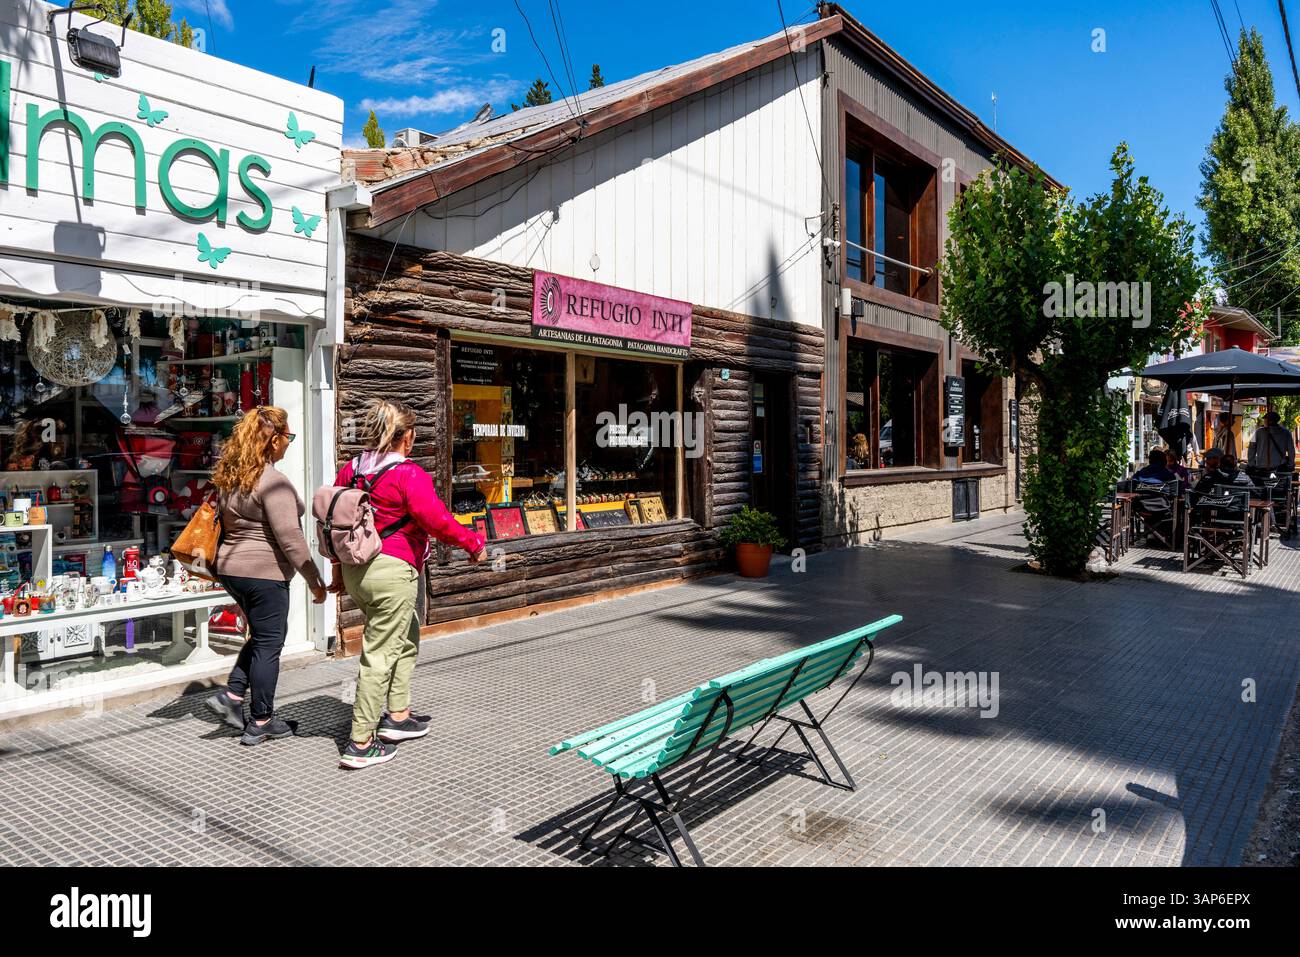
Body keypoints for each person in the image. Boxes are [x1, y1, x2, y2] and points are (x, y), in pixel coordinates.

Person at [332, 399, 487, 770]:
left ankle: (398, 716)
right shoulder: (408, 474)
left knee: (406, 637)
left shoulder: (350, 470)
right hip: (392, 571)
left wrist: (337, 571)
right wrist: (473, 543)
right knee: (380, 654)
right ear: (407, 437)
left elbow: (336, 522)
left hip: (357, 570)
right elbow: (436, 519)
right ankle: (361, 742)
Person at [206, 406, 327, 745]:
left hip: (232, 570)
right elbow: (291, 538)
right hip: (263, 573)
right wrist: (314, 580)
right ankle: (260, 720)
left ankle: (231, 697)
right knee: (270, 644)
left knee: (261, 636)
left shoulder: (235, 476)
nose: (289, 443)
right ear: (272, 441)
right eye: (287, 437)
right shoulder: (273, 482)